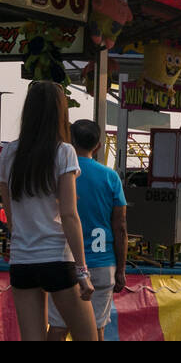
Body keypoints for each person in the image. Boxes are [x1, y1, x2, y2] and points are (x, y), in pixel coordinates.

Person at [0, 81, 97, 342]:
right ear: (60, 113)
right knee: (88, 336)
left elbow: (10, 214)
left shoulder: (9, 152)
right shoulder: (64, 152)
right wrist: (83, 271)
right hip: (57, 260)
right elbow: (69, 214)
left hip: (22, 261)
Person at [47, 119, 128, 342]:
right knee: (96, 329)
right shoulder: (110, 177)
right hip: (103, 263)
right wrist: (121, 269)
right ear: (99, 146)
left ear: (69, 142)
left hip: (64, 261)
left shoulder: (61, 174)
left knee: (57, 326)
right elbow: (120, 227)